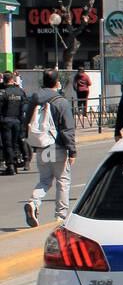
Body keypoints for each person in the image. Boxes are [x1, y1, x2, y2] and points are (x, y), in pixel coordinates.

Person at [23, 69, 77, 227]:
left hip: (42, 146)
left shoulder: (35, 99)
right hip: (58, 146)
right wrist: (72, 150)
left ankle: (33, 203)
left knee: (45, 180)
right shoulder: (61, 102)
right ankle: (60, 216)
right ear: (57, 82)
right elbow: (68, 129)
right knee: (63, 181)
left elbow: (27, 120)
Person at [1, 72, 29, 175]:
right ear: (13, 80)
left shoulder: (3, 92)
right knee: (16, 143)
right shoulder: (20, 92)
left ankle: (11, 166)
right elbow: (24, 107)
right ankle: (17, 164)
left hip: (6, 121)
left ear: (4, 80)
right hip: (18, 121)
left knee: (7, 144)